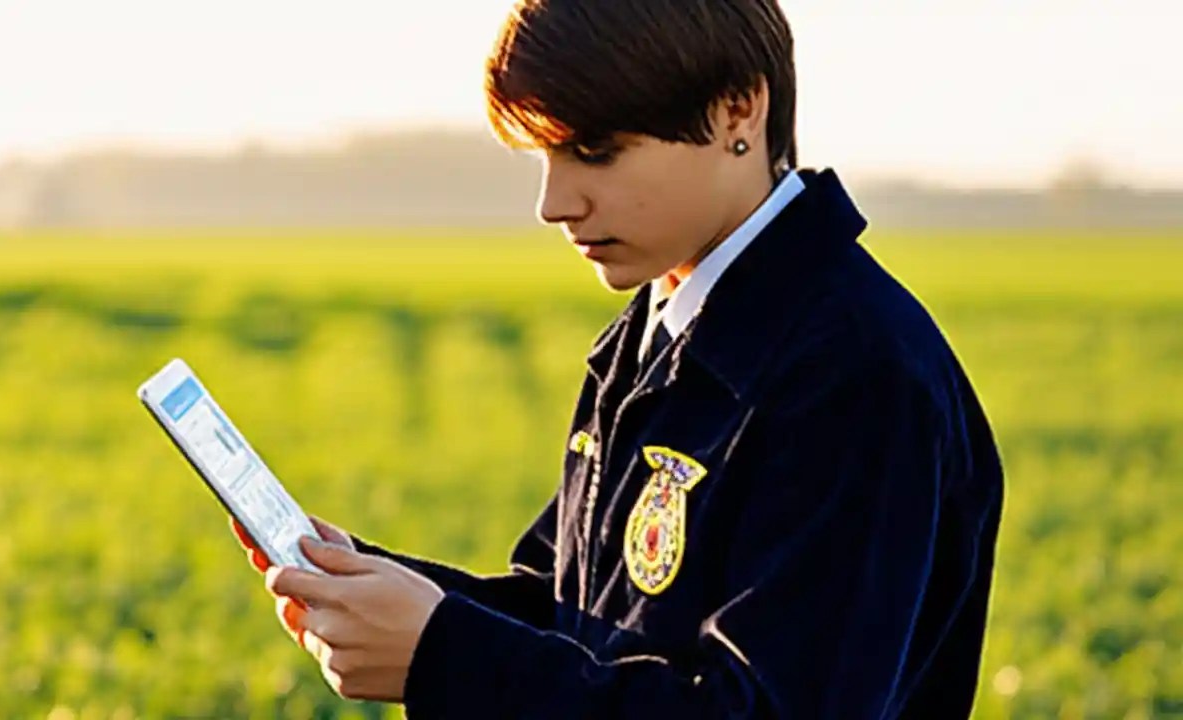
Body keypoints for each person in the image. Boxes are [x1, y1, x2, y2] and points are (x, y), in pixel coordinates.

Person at [233, 0, 1005, 717]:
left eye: (595, 152)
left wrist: (445, 652)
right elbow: (577, 619)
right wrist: (383, 589)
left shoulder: (854, 372)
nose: (554, 202)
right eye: (544, 153)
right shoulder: (661, 327)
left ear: (739, 106)